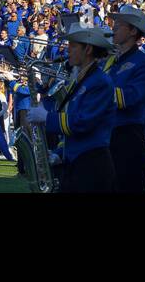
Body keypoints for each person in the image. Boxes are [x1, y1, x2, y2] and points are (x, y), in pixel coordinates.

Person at [26, 23, 115, 193]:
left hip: (92, 164)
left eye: (73, 46)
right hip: (77, 161)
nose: (68, 50)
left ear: (88, 49)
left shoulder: (99, 82)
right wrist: (59, 153)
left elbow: (83, 123)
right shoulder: (80, 79)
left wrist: (47, 117)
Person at [104, 3, 145, 192]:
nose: (114, 27)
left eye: (120, 24)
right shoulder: (111, 62)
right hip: (107, 136)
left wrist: (96, 93)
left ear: (133, 30)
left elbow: (130, 98)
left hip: (129, 139)